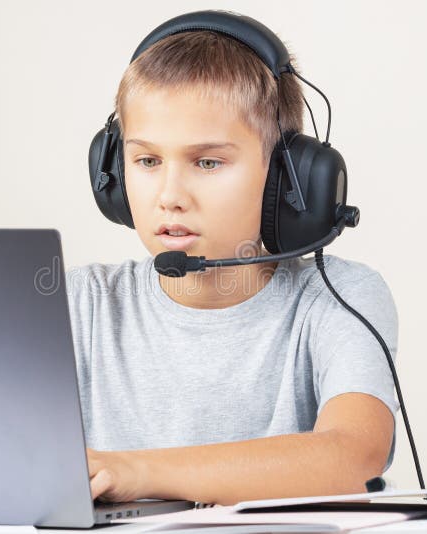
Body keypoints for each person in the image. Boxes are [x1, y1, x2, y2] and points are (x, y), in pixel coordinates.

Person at [66, 13, 399, 506]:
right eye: (147, 161)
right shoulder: (83, 303)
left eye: (207, 162)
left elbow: (353, 459)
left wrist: (132, 471)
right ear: (113, 171)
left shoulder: (339, 299)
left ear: (287, 181)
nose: (170, 196)